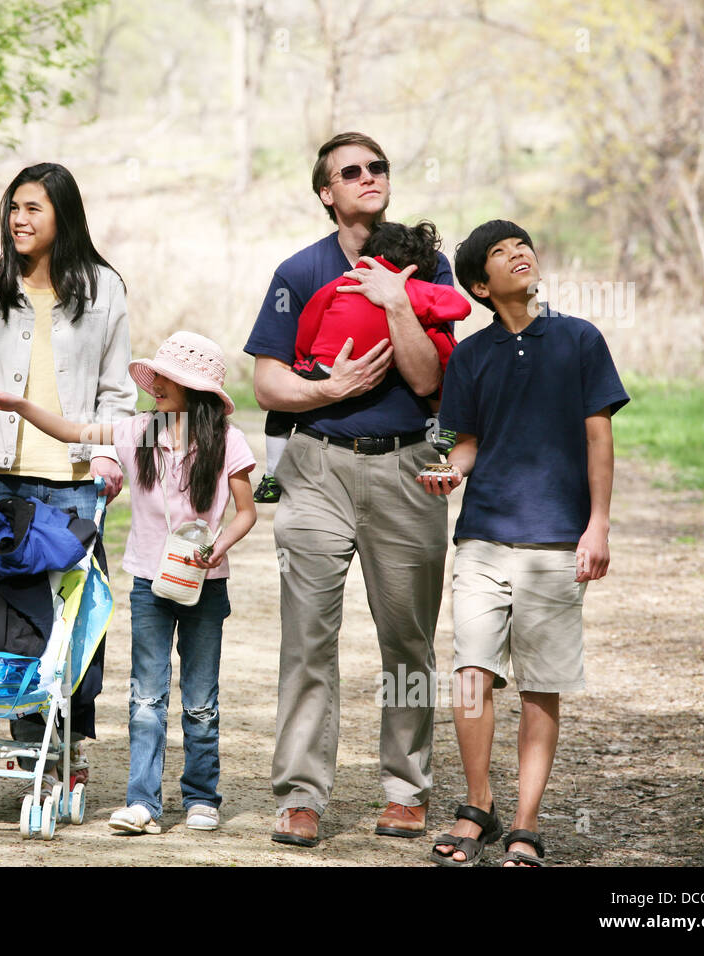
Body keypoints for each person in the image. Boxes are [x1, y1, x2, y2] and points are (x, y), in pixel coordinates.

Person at [245, 131, 453, 848]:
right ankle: (301, 796)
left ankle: (406, 788)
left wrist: (396, 299)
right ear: (327, 192)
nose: (369, 177)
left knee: (408, 641)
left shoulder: (430, 264)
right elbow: (265, 377)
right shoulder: (297, 270)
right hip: (316, 467)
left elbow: (430, 380)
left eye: (379, 167)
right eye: (351, 171)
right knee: (307, 638)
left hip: (408, 466)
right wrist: (326, 388)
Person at [0, 331, 257, 834]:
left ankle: (200, 797)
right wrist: (18, 405)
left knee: (201, 697)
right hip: (150, 584)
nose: (158, 387)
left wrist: (217, 549)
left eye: (169, 380)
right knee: (146, 694)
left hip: (204, 583)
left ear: (196, 390)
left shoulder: (228, 441)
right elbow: (71, 430)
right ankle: (142, 801)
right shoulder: (143, 433)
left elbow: (246, 513)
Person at [421, 220, 628, 866]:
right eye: (501, 254)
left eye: (523, 246)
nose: (520, 255)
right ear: (481, 284)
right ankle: (477, 806)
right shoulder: (474, 357)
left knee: (542, 684)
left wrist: (597, 525)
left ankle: (525, 826)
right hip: (483, 536)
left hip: (556, 544)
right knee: (469, 674)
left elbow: (600, 437)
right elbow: (470, 442)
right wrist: (453, 472)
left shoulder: (580, 340)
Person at [0, 162, 137, 786]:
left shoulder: (104, 288)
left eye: (33, 209)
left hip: (76, 476)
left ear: (63, 215)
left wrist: (110, 452)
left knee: (78, 610)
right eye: (13, 208)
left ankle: (66, 743)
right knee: (12, 609)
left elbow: (117, 387)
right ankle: (29, 737)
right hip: (4, 474)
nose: (18, 220)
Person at [262, 221, 469, 471]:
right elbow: (459, 308)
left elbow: (309, 320)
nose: (368, 179)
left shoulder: (342, 283)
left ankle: (271, 473)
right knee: (446, 361)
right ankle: (443, 431)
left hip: (323, 366)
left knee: (279, 414)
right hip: (321, 454)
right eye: (351, 177)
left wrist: (306, 357)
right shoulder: (415, 288)